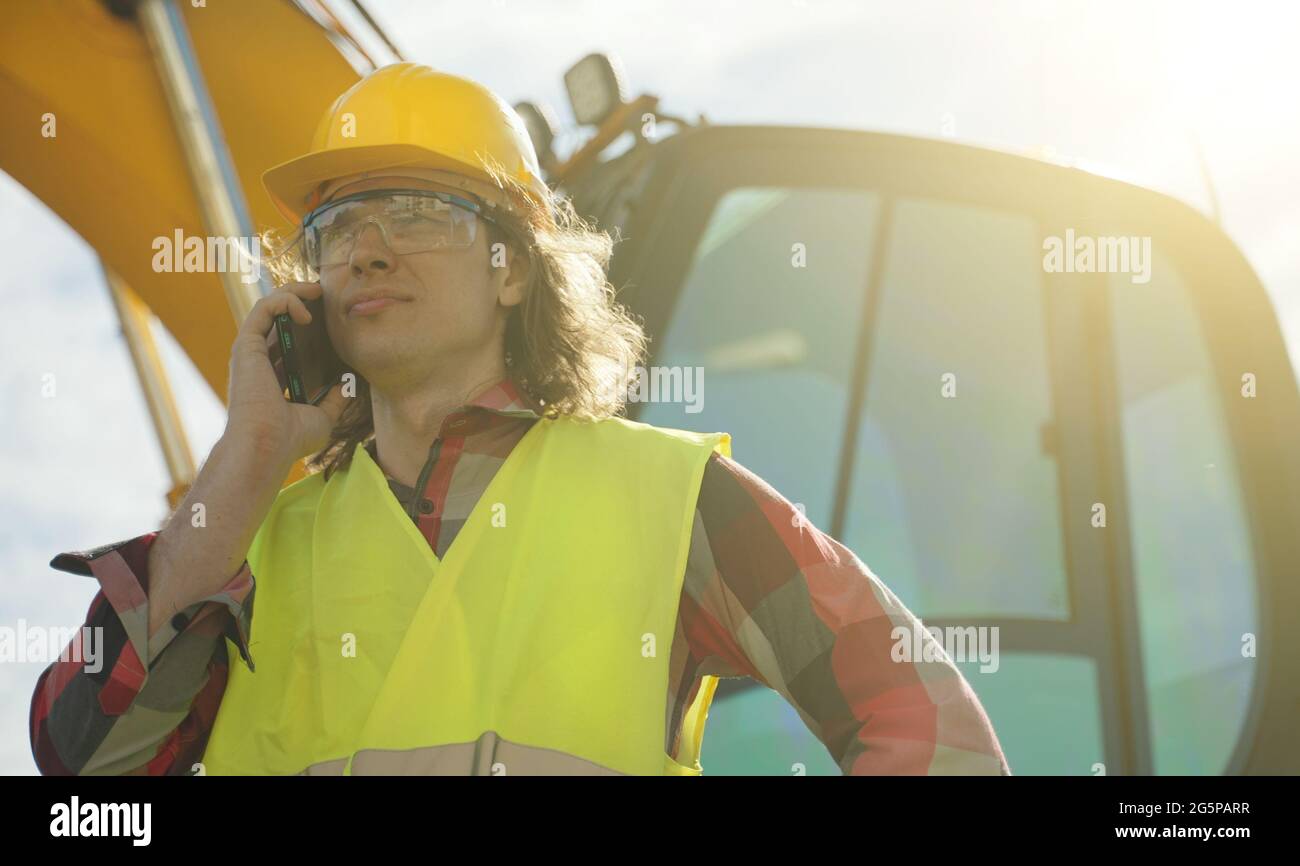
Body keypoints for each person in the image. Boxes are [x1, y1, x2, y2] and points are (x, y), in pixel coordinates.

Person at [29, 62, 1009, 776]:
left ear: (512, 268)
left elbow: (925, 722)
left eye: (412, 213)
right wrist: (246, 458)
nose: (365, 252)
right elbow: (83, 767)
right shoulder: (243, 549)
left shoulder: (670, 501)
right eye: (333, 231)